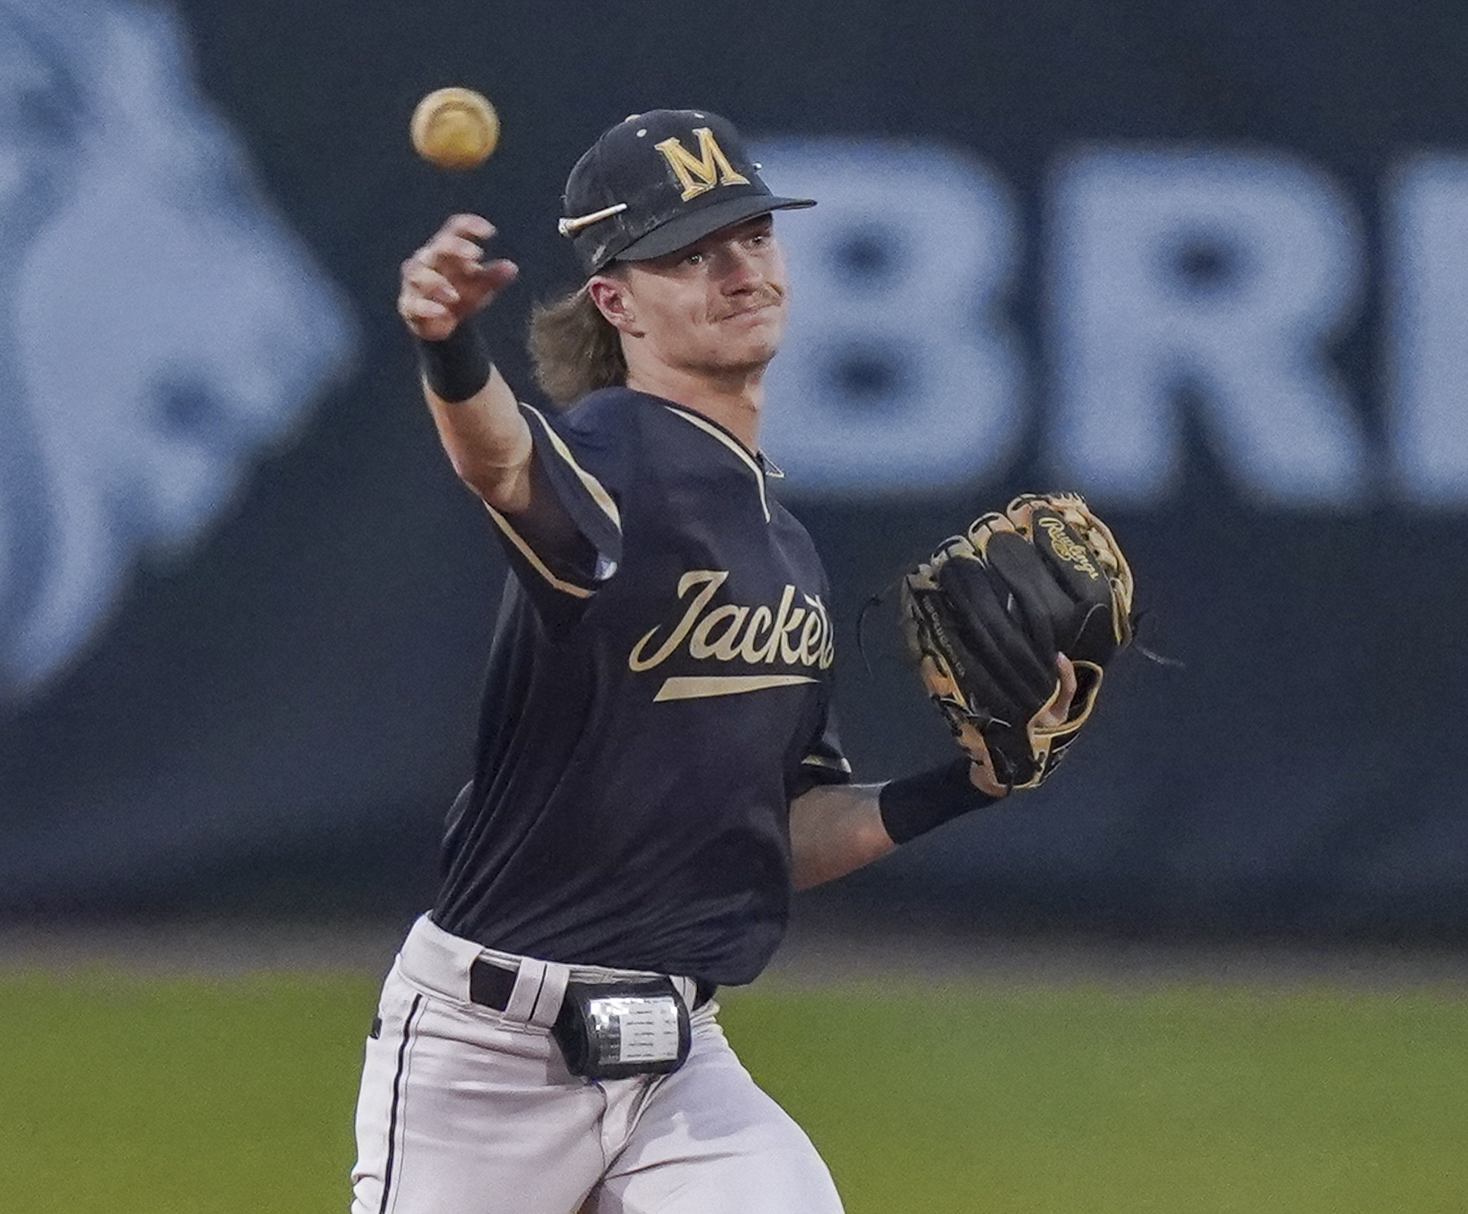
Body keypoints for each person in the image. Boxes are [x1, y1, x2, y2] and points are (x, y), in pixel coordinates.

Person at [349, 108, 1076, 1214]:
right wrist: (449, 347)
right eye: (690, 253)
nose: (737, 269)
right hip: (487, 1060)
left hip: (676, 1056)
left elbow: (776, 831)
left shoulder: (781, 540)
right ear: (616, 299)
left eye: (750, 237)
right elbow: (499, 461)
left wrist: (965, 784)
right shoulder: (612, 451)